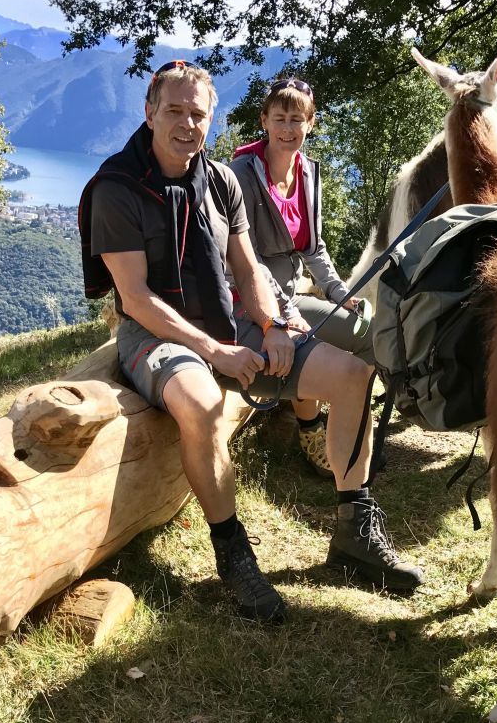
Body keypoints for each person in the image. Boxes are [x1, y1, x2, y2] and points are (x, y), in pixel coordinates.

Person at [78, 61, 423, 623]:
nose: (187, 124)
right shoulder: (117, 189)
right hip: (154, 336)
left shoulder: (220, 180)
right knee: (202, 401)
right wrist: (216, 352)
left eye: (198, 113)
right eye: (174, 111)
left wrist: (271, 325)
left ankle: (353, 526)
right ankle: (232, 550)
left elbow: (247, 266)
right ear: (148, 112)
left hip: (229, 320)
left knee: (351, 375)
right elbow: (136, 300)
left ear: (212, 118)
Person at [229, 78, 373, 477]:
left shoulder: (309, 173)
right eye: (280, 118)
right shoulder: (239, 175)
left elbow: (313, 246)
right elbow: (245, 261)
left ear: (310, 124)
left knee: (370, 333)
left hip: (291, 292)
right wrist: (288, 313)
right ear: (264, 121)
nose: (288, 129)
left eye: (297, 119)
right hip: (251, 300)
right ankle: (311, 433)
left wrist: (342, 293)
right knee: (307, 339)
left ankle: (349, 424)